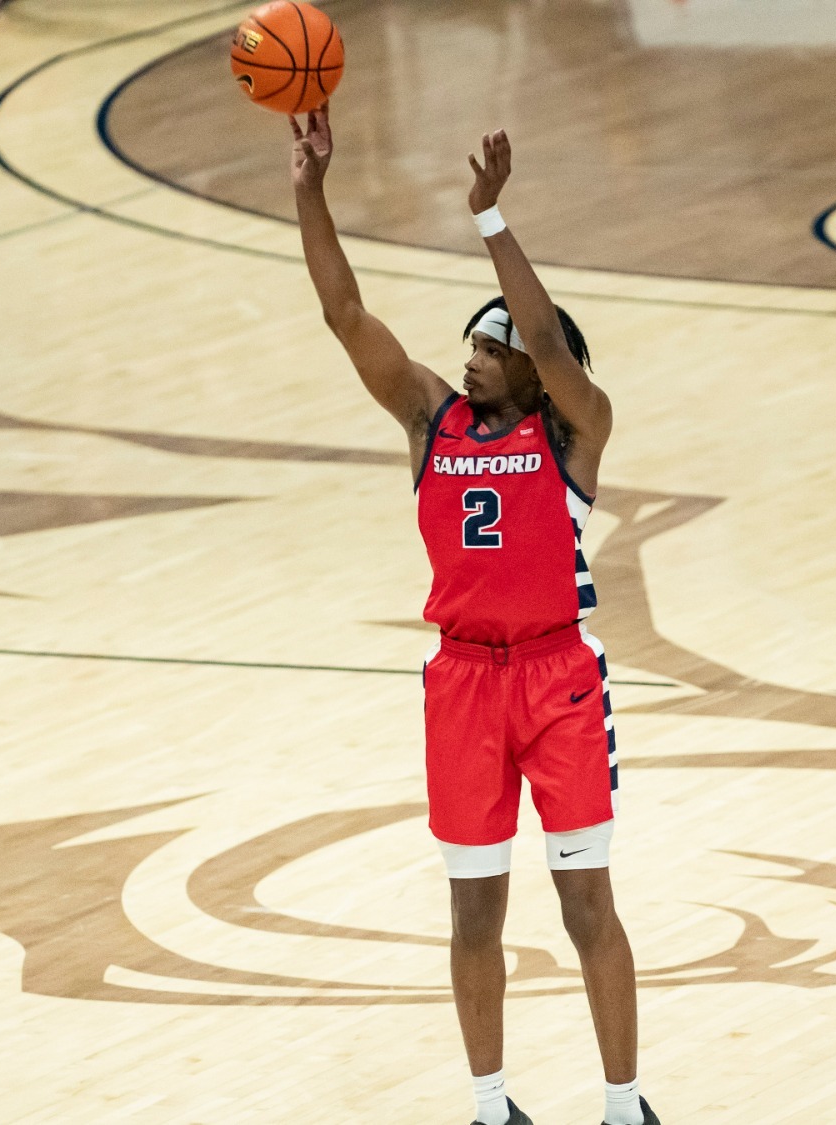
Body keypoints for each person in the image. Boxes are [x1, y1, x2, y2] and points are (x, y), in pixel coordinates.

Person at [289, 107, 661, 1125]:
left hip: (556, 680)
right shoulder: (427, 419)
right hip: (460, 681)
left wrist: (491, 219)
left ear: (540, 374)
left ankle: (624, 1106)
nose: (473, 353)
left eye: (491, 344)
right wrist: (309, 190)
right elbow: (344, 314)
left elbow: (541, 329)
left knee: (585, 900)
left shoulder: (576, 431)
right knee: (472, 908)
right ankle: (491, 1106)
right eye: (471, 341)